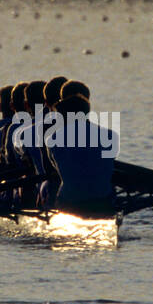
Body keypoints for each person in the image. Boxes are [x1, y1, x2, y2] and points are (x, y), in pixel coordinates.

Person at [45, 87, 116, 218]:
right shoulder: (110, 135)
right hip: (102, 200)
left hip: (70, 201)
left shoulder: (52, 138)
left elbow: (57, 169)